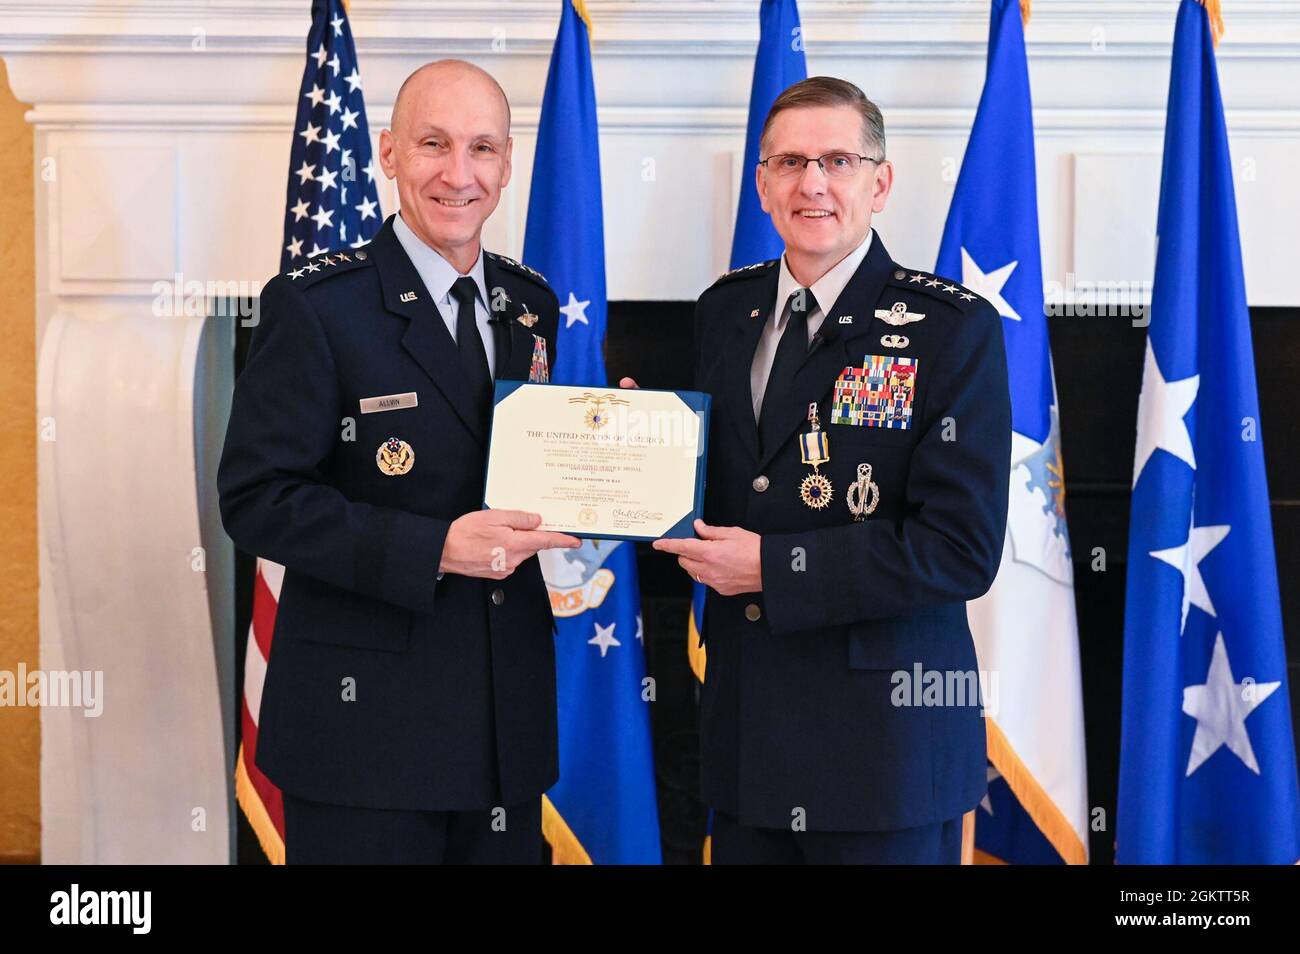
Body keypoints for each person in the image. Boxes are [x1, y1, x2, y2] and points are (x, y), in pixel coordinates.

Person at [218, 60, 579, 864]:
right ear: (388, 153)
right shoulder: (316, 306)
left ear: (509, 164)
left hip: (502, 726)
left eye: (483, 148)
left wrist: (609, 446)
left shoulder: (531, 304)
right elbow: (257, 499)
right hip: (366, 738)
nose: (459, 173)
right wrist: (435, 548)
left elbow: (527, 463)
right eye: (432, 144)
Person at [649, 76, 1012, 864]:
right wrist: (632, 451)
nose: (812, 183)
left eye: (838, 161)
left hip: (883, 754)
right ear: (763, 184)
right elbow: (724, 486)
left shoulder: (951, 331)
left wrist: (774, 568)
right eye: (789, 163)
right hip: (747, 740)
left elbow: (961, 549)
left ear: (880, 183)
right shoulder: (724, 312)